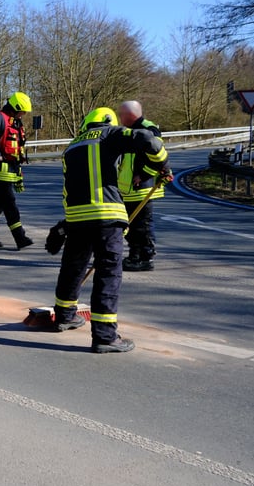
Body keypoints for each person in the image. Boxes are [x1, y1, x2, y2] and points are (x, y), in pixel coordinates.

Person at [52, 108, 170, 353]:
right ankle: (105, 336)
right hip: (106, 215)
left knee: (73, 267)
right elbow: (149, 140)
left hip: (76, 217)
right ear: (107, 122)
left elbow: (67, 190)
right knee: (108, 273)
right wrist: (162, 164)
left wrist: (65, 223)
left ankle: (65, 316)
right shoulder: (109, 134)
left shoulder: (71, 147)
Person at [0, 92, 34, 249]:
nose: (24, 115)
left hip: (10, 170)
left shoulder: (15, 122)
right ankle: (20, 237)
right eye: (22, 111)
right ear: (16, 108)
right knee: (9, 203)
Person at [117, 101, 165, 272]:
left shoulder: (148, 129)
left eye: (121, 114)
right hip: (129, 188)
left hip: (142, 187)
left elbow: (159, 156)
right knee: (131, 225)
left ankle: (145, 257)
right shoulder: (130, 130)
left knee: (142, 225)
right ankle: (134, 255)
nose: (119, 118)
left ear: (130, 115)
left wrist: (143, 175)